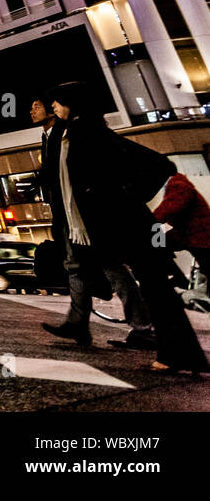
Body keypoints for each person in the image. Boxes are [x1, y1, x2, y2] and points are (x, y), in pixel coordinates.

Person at [49, 82, 208, 375]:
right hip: (125, 225)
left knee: (157, 290)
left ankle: (179, 354)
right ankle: (180, 354)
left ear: (73, 103)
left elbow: (160, 165)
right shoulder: (79, 132)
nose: (53, 107)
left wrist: (124, 199)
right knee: (156, 289)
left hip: (129, 226)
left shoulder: (90, 133)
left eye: (57, 102)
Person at [31, 95, 156, 349]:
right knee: (75, 266)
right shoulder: (50, 137)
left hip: (89, 214)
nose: (32, 111)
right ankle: (78, 324)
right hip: (70, 215)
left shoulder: (77, 134)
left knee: (111, 266)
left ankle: (144, 327)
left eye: (38, 106)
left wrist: (95, 195)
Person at [152, 172, 210, 287]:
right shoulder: (176, 183)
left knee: (156, 241)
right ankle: (176, 275)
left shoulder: (177, 184)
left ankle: (177, 276)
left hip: (197, 235)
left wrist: (151, 221)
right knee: (157, 241)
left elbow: (170, 208)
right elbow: (174, 217)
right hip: (189, 233)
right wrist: (160, 228)